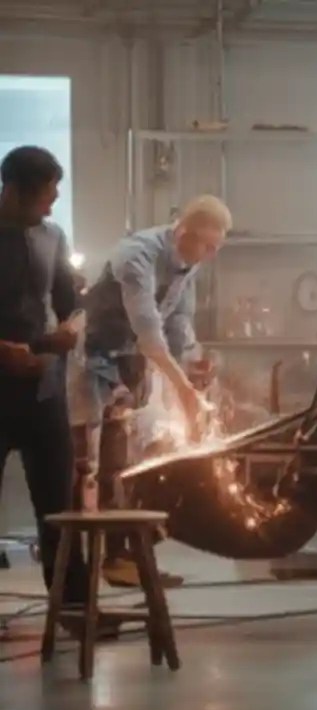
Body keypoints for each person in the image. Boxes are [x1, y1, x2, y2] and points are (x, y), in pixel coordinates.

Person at [70, 195, 231, 588]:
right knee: (84, 467)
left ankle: (120, 557)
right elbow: (149, 332)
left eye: (216, 248)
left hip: (129, 368)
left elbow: (177, 324)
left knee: (122, 466)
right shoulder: (136, 255)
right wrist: (186, 393)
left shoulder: (186, 264)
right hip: (91, 362)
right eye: (206, 246)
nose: (209, 256)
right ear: (183, 233)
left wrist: (195, 364)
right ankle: (76, 570)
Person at [0, 146, 94, 622]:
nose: (51, 207)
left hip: (43, 392)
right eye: (43, 198)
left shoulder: (52, 237)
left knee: (59, 510)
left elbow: (71, 302)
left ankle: (73, 610)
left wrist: (71, 332)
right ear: (12, 191)